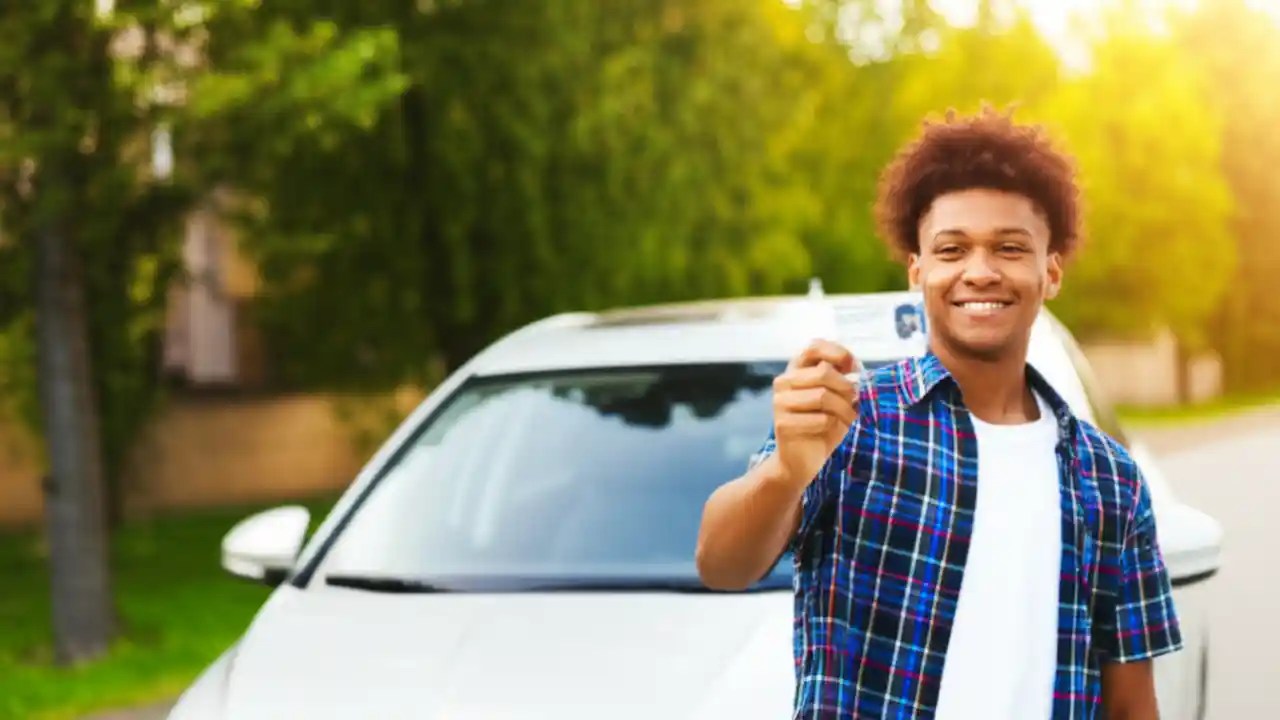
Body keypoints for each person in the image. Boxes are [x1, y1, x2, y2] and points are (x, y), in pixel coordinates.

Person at [695, 108, 1181, 720]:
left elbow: (1133, 703)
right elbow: (721, 566)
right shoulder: (849, 418)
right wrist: (785, 472)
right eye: (952, 249)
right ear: (918, 270)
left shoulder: (1109, 477)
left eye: (1009, 247)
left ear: (1048, 272)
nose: (980, 271)